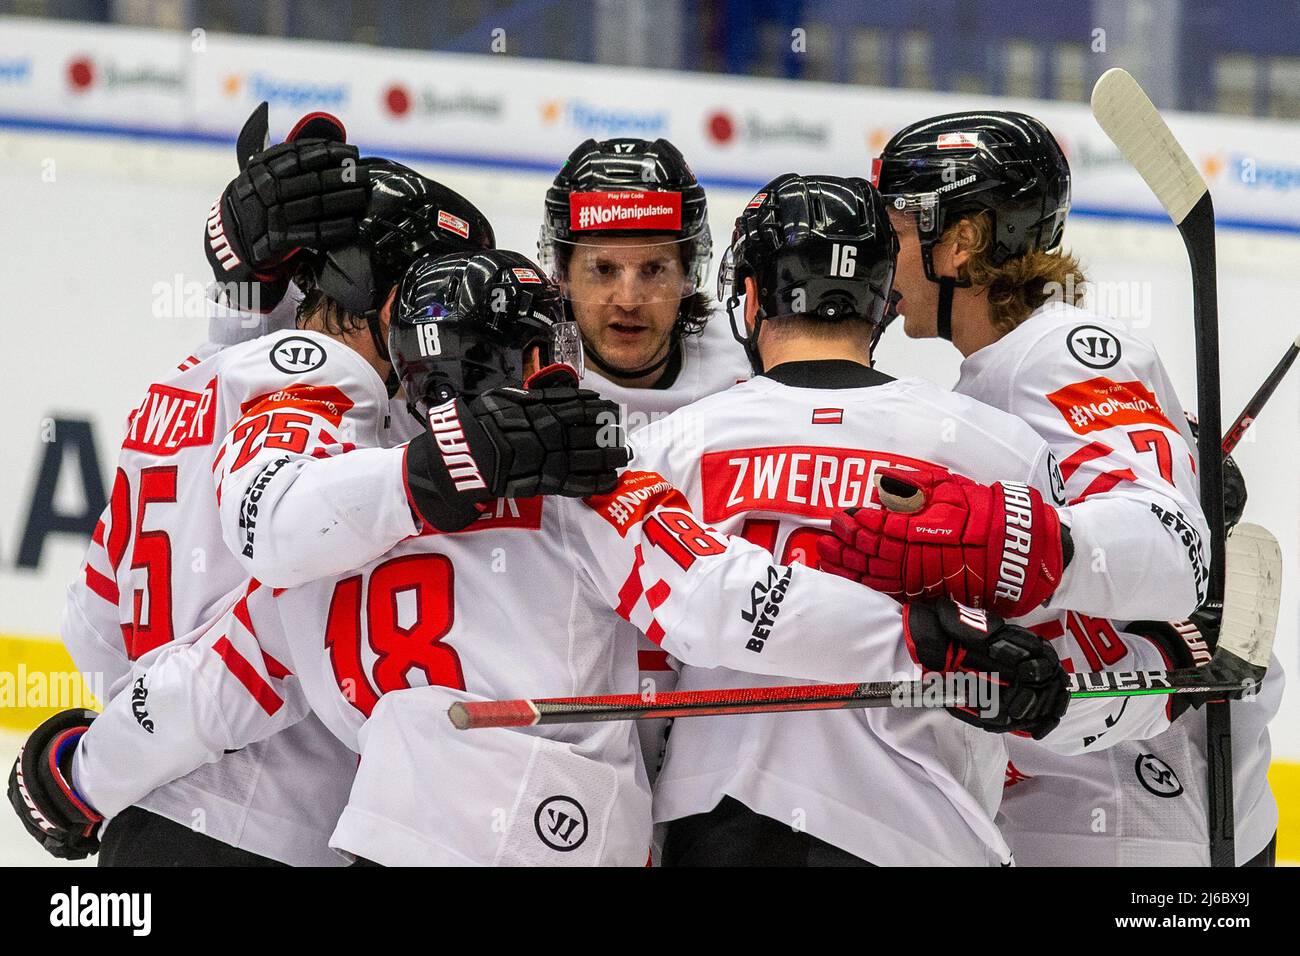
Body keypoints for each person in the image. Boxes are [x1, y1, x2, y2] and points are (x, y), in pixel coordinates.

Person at [44, 247, 1069, 866]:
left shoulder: (332, 528)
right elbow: (731, 602)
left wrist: (78, 772)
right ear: (536, 355)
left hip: (384, 840)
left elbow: (194, 692)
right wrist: (919, 641)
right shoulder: (586, 486)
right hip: (558, 839)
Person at [7, 132, 609, 864]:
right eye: (429, 291)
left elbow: (93, 625)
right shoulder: (339, 395)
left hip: (150, 800)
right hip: (270, 824)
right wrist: (458, 462)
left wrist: (95, 768)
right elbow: (260, 638)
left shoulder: (188, 385)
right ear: (380, 290)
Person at [828, 110, 1280, 865]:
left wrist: (1023, 541)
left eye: (896, 227)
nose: (881, 252)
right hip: (1100, 805)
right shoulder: (1007, 367)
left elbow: (1170, 548)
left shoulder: (1058, 353)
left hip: (1127, 818)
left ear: (961, 241)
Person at [642, 172, 1074, 866]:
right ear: (882, 303)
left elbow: (633, 661)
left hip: (720, 830)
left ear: (750, 297)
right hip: (922, 833)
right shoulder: (998, 445)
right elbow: (1052, 665)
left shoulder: (667, 450)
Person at [538, 137, 751, 788]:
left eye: (653, 270)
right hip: (567, 756)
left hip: (711, 760)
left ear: (688, 276)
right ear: (563, 275)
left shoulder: (752, 382)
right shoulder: (511, 373)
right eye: (603, 270)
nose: (627, 298)